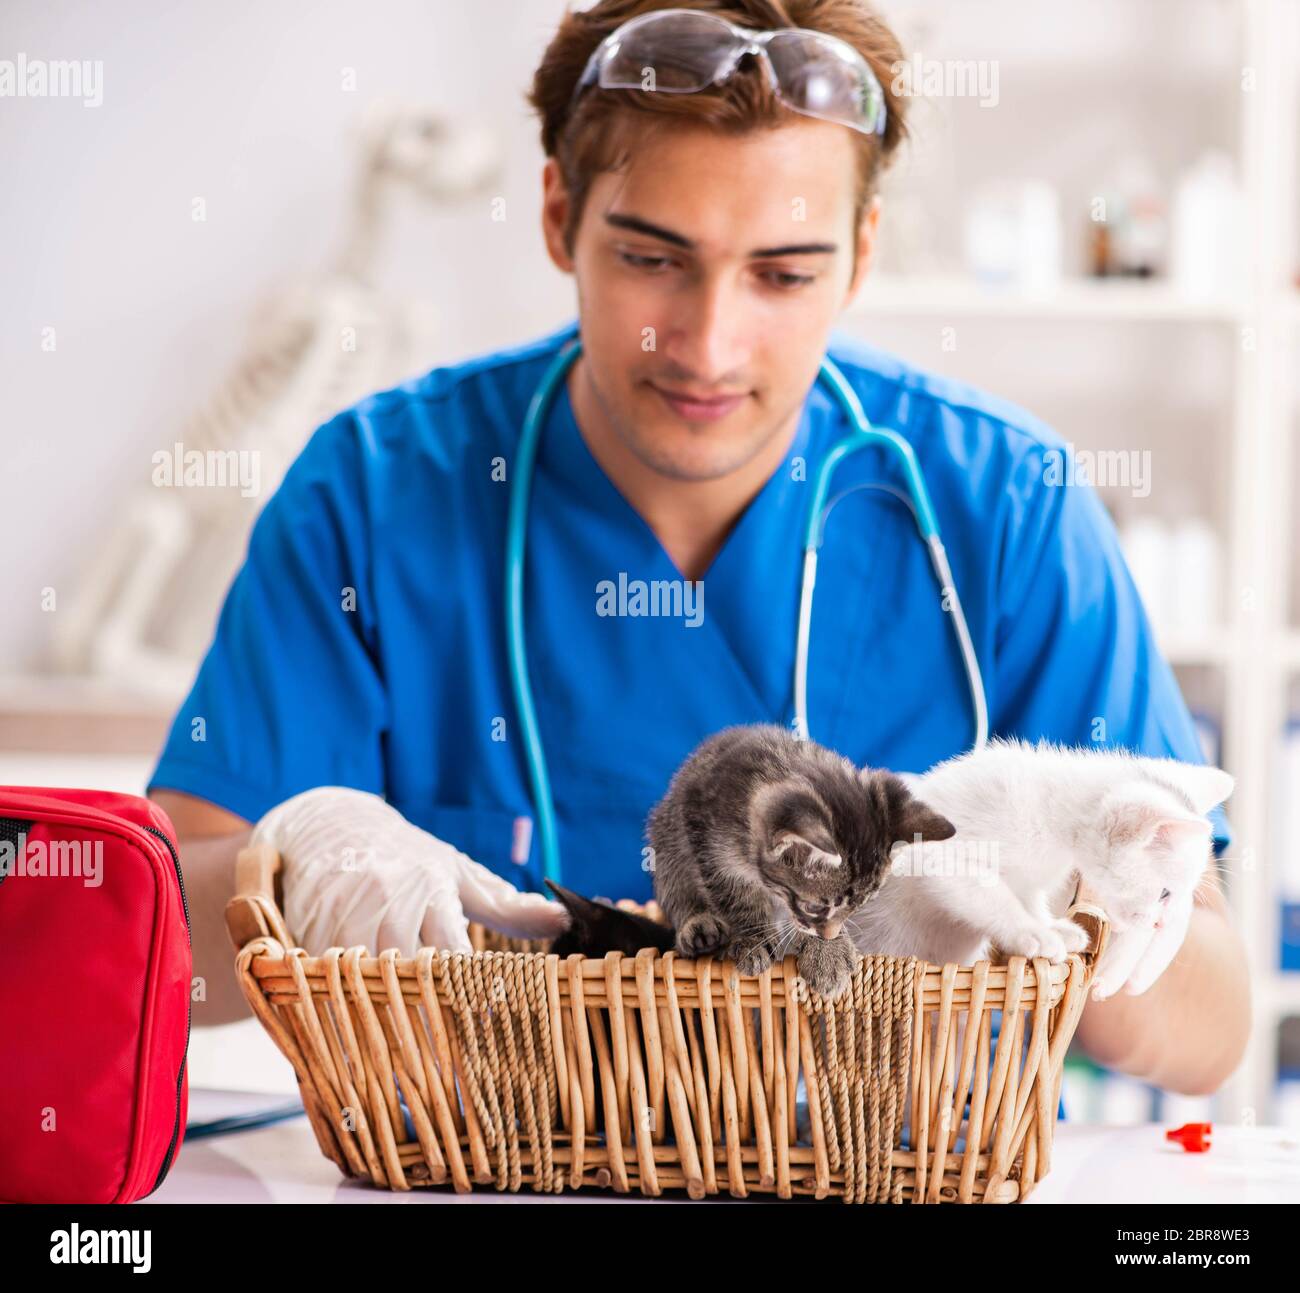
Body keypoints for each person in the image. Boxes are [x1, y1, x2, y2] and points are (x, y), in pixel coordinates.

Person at [147, 0, 1249, 1097]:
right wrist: (297, 863)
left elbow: (1213, 1033)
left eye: (783, 273)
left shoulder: (1004, 507)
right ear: (558, 216)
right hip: (481, 1172)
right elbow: (148, 956)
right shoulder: (378, 492)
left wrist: (1075, 887)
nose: (709, 345)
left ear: (860, 257)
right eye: (651, 257)